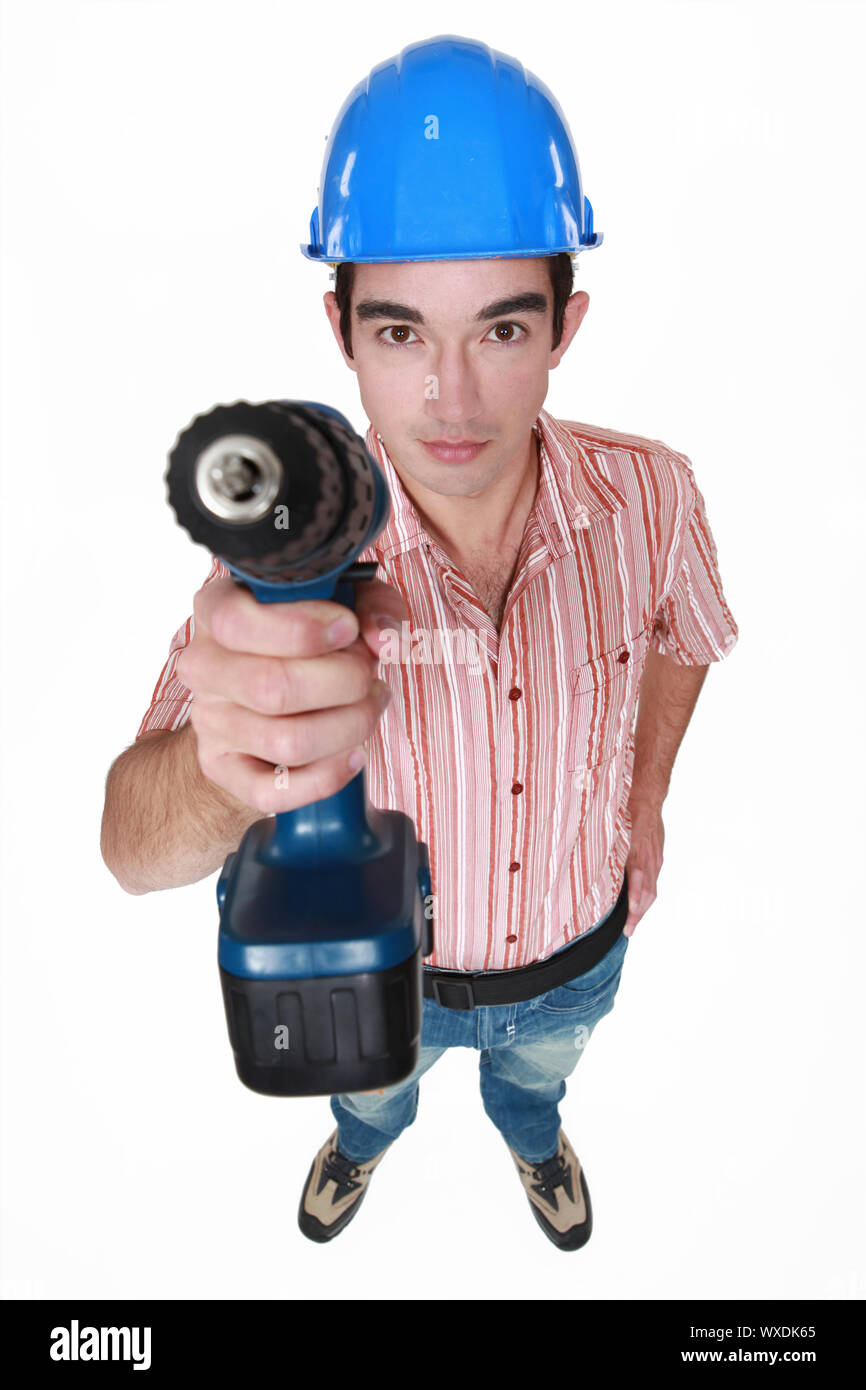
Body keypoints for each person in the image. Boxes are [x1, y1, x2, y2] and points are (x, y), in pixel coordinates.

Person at [100, 36, 739, 1251]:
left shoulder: (656, 498)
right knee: (369, 1091)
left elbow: (687, 636)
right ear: (339, 329)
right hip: (374, 987)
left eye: (500, 331)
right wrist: (227, 764)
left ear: (565, 324)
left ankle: (533, 1139)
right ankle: (361, 1140)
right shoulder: (286, 566)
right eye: (401, 334)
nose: (452, 395)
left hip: (577, 954)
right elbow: (131, 846)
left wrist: (645, 801)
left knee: (538, 1080)